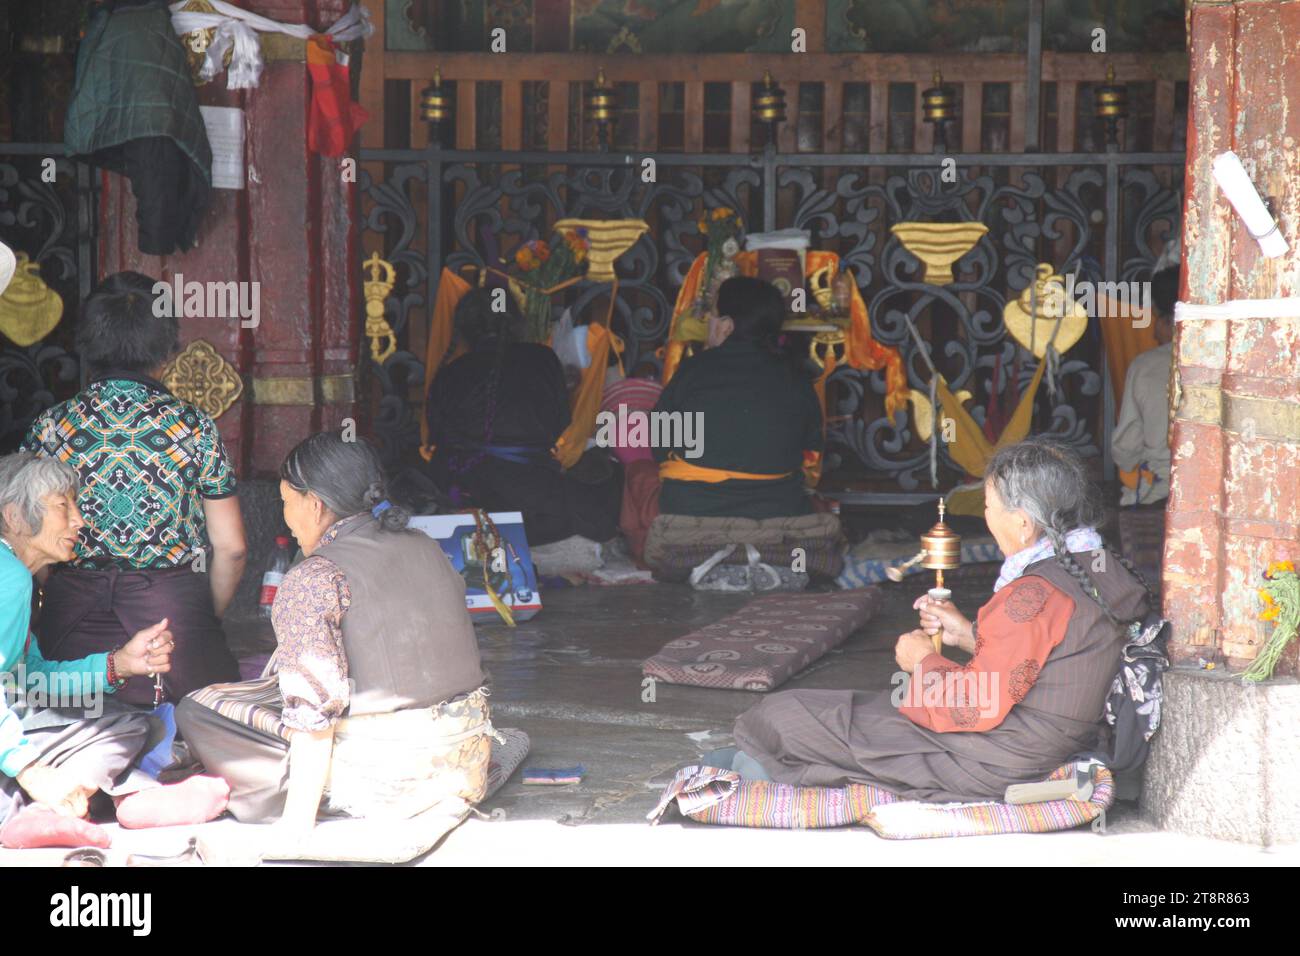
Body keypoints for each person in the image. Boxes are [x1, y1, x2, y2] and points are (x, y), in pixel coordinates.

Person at [714, 438, 1152, 802]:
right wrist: (971, 636)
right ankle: (771, 761)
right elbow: (1054, 656)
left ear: (1021, 523)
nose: (985, 516)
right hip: (1051, 739)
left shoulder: (1035, 593)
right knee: (859, 712)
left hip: (1002, 757)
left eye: (987, 506)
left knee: (784, 714)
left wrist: (920, 660)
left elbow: (973, 706)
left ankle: (763, 764)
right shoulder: (1099, 564)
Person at [175, 433, 492, 843]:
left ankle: (288, 797)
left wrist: (296, 827)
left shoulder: (314, 577)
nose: (286, 517)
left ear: (315, 504)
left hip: (387, 777)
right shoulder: (425, 544)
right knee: (257, 694)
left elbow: (313, 720)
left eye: (286, 503)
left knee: (199, 710)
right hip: (464, 755)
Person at [23, 271, 245, 706]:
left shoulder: (50, 428)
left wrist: (60, 591)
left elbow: (32, 542)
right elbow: (232, 548)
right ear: (167, 348)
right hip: (173, 635)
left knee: (62, 711)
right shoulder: (193, 428)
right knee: (204, 715)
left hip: (69, 636)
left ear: (87, 343)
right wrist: (200, 618)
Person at [0, 453, 228, 850]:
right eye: (62, 506)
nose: (79, 520)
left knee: (109, 713)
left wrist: (119, 663)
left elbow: (27, 677)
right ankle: (57, 808)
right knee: (131, 724)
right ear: (15, 517)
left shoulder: (15, 575)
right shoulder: (12, 578)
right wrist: (32, 770)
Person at [426, 289, 622, 545]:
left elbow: (437, 434)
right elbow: (559, 422)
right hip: (530, 496)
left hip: (462, 491)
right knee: (606, 485)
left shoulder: (452, 371)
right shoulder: (541, 358)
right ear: (516, 322)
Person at [652, 276, 822, 519]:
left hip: (693, 507)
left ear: (727, 326)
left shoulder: (695, 369)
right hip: (778, 508)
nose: (708, 320)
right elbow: (811, 447)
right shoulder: (796, 376)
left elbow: (659, 443)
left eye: (713, 313)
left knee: (639, 476)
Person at [1112, 267, 1178, 506]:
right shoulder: (1225, 361)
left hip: (1161, 492)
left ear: (1165, 321)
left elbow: (1126, 446)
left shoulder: (1146, 365)